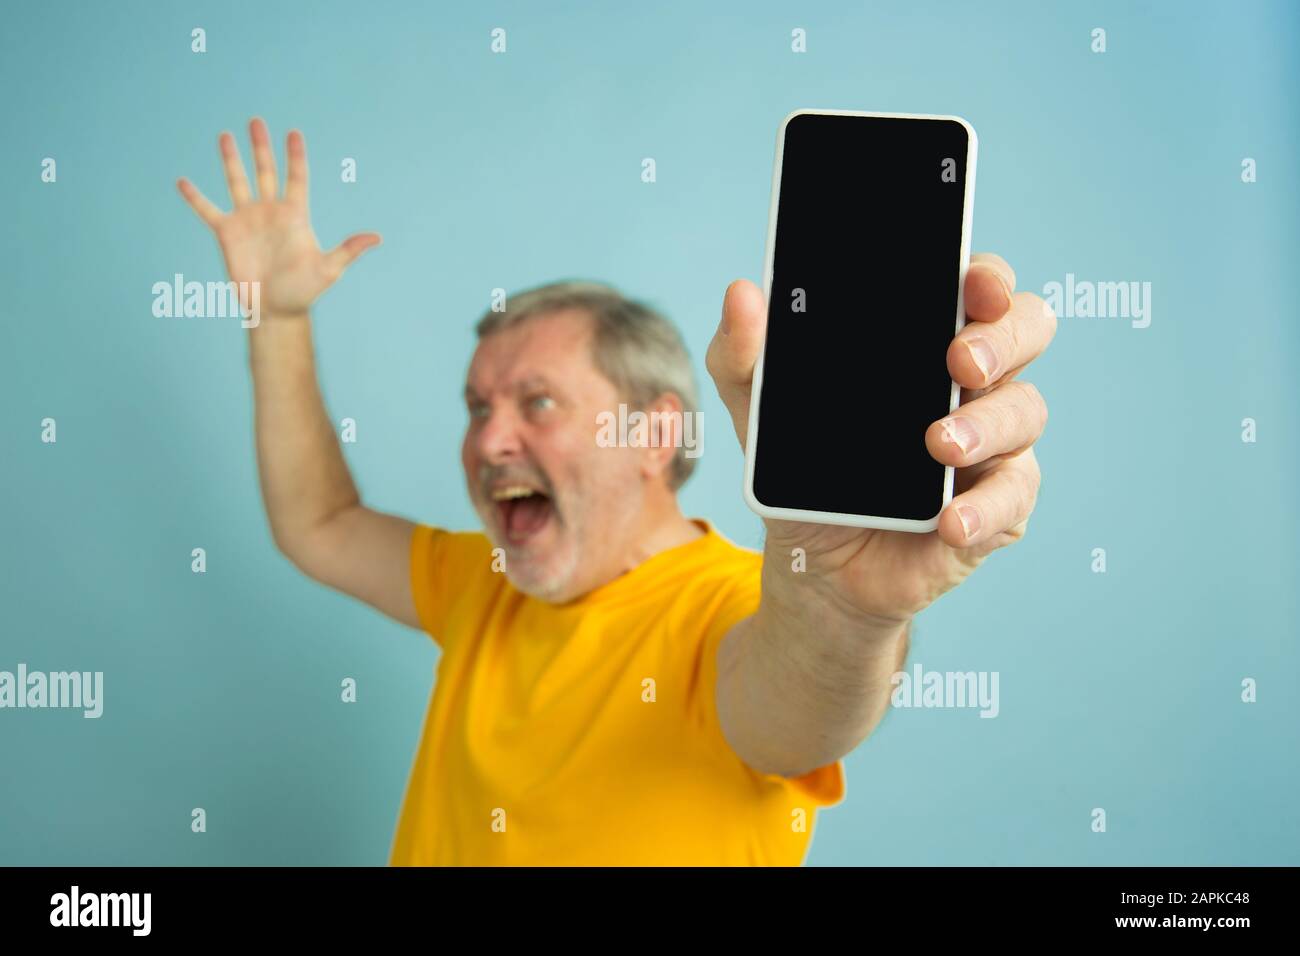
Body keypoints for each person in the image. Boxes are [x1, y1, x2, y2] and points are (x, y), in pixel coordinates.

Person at [178, 118, 1054, 866]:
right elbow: (319, 522)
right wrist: (278, 316)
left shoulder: (737, 609)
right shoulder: (483, 581)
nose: (488, 439)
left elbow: (795, 712)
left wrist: (846, 613)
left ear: (655, 432)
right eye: (477, 406)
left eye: (539, 403)